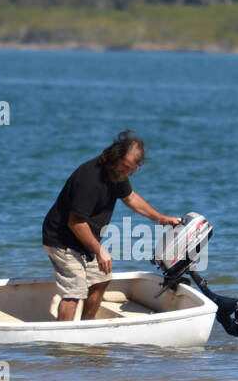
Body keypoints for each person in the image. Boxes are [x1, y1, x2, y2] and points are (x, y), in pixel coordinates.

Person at [42, 131, 179, 321]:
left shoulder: (117, 175)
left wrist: (161, 218)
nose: (126, 173)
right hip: (61, 239)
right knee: (74, 292)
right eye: (125, 167)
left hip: (83, 241)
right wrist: (99, 250)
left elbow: (130, 198)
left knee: (101, 280)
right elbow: (76, 223)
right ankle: (63, 342)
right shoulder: (90, 178)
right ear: (115, 156)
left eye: (132, 170)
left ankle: (87, 328)